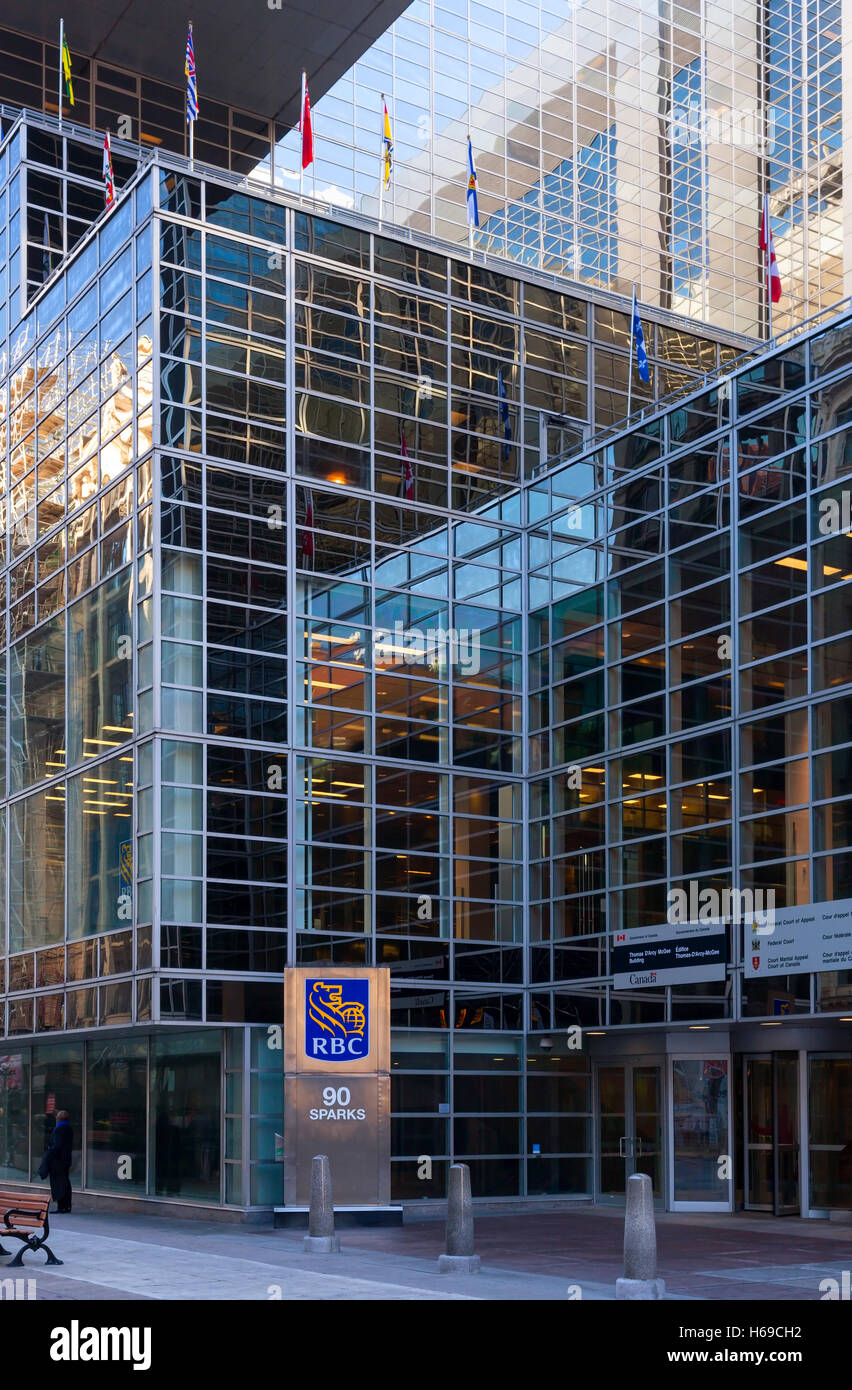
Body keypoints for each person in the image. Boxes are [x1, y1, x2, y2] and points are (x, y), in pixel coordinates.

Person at [39, 1110, 73, 1213]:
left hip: (58, 1161)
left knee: (59, 1183)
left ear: (59, 1119)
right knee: (66, 1182)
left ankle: (61, 1206)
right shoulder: (69, 1128)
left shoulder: (59, 1129)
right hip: (66, 1160)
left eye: (56, 1117)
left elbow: (57, 1146)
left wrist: (49, 1153)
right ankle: (67, 1206)